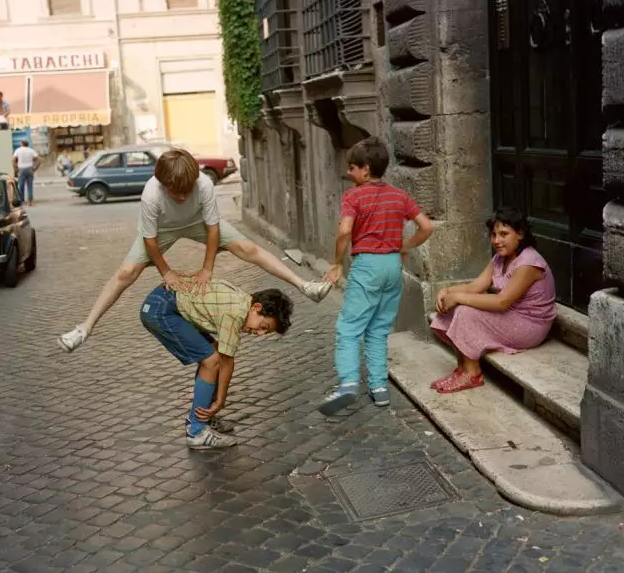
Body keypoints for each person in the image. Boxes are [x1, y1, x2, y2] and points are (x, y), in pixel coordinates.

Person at [57, 148, 331, 352]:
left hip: (199, 223)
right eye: (176, 192)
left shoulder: (204, 184)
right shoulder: (151, 194)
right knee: (127, 272)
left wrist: (207, 268)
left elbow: (213, 229)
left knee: (247, 247)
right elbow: (150, 239)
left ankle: (304, 285)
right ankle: (85, 328)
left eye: (187, 190)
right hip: (161, 230)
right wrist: (166, 272)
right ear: (164, 184)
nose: (182, 196)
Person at [317, 137, 434, 415]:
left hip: (366, 265)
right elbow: (426, 227)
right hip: (393, 266)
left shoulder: (354, 197)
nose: (349, 173)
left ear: (366, 169)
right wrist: (403, 247)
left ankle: (347, 385)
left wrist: (336, 263)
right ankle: (379, 388)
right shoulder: (399, 196)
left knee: (348, 329)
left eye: (353, 168)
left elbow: (345, 231)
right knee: (379, 330)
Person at [141, 277, 293, 448]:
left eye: (265, 332)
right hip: (161, 309)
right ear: (256, 307)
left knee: (212, 353)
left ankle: (205, 417)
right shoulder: (235, 313)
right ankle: (197, 431)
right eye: (263, 327)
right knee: (212, 360)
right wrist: (221, 400)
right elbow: (227, 361)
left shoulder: (242, 300)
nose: (259, 334)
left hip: (163, 301)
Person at [429, 207, 557, 394]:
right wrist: (448, 291)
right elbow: (475, 287)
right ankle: (462, 369)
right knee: (454, 307)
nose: (497, 240)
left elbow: (502, 302)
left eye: (504, 234)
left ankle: (472, 374)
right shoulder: (499, 258)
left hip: (530, 325)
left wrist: (458, 298)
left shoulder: (529, 263)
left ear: (520, 234)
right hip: (510, 315)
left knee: (465, 310)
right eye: (494, 235)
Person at [12, 140, 40, 206]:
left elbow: (13, 160)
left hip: (21, 169)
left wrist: (15, 169)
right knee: (30, 186)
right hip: (30, 169)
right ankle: (30, 202)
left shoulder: (18, 150)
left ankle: (22, 201)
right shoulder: (31, 150)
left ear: (21, 144)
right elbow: (39, 159)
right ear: (27, 144)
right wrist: (35, 168)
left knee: (21, 185)